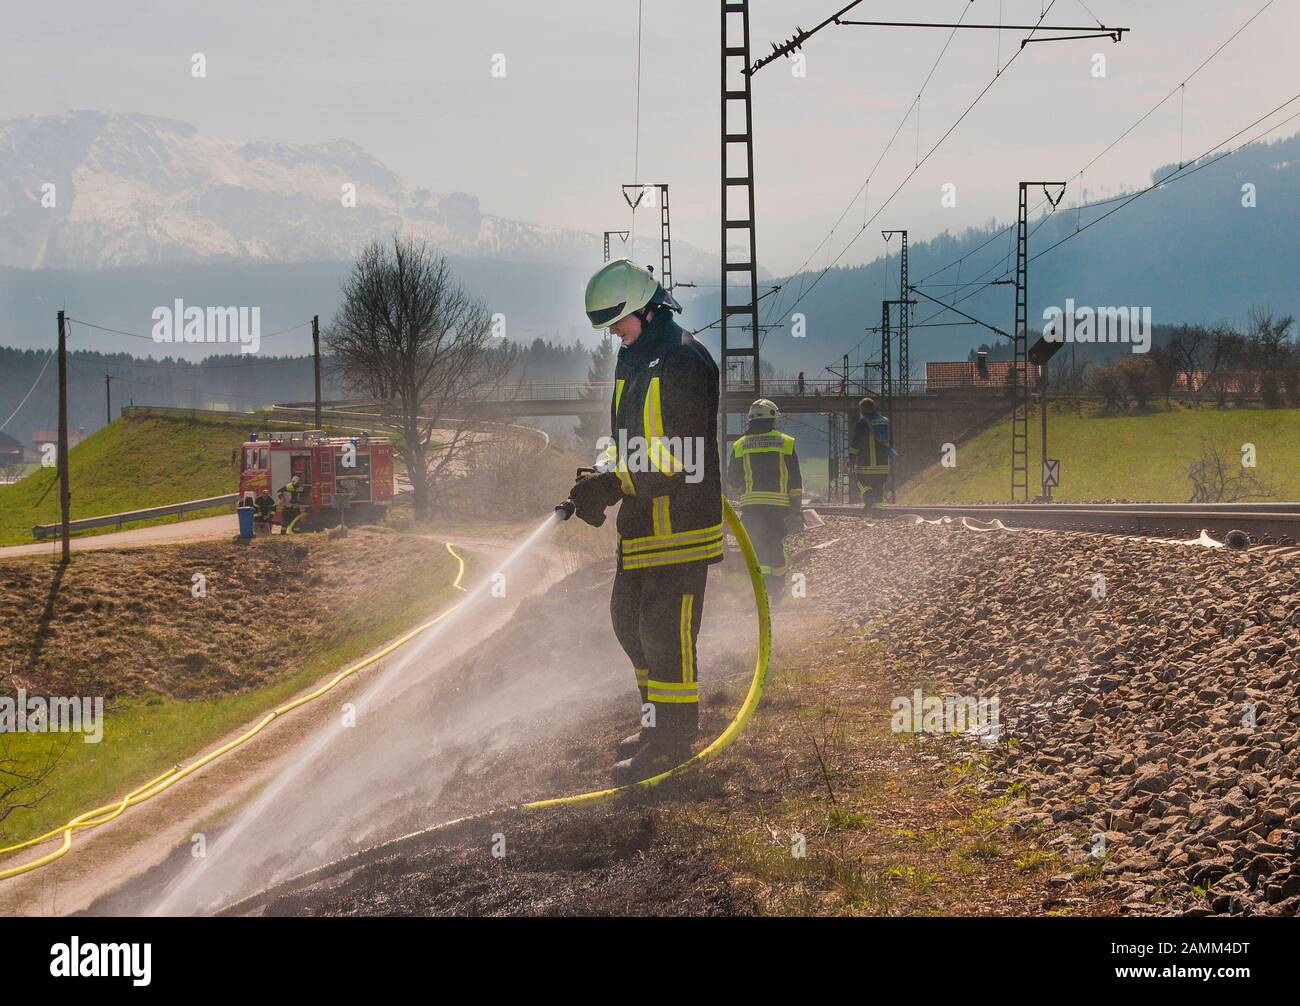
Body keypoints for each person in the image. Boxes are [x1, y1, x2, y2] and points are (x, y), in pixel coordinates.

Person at [567, 259, 721, 783]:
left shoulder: (682, 359)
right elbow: (629, 441)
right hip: (640, 527)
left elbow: (683, 456)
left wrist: (615, 485)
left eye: (619, 321)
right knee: (628, 624)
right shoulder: (633, 360)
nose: (613, 333)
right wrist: (600, 477)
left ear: (646, 308)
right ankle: (655, 725)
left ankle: (674, 743)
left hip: (680, 527)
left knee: (664, 633)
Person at [726, 399, 802, 605]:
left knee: (757, 545)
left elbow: (732, 476)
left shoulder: (740, 444)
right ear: (771, 417)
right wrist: (796, 505)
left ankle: (760, 589)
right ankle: (776, 587)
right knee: (775, 543)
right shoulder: (785, 442)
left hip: (751, 504)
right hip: (777, 505)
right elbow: (794, 477)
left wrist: (742, 491)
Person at [848, 397, 895, 509]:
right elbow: (891, 442)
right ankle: (877, 511)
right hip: (883, 464)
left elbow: (855, 444)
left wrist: (851, 459)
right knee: (879, 487)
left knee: (860, 482)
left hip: (865, 464)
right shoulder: (886, 421)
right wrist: (891, 460)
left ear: (863, 409)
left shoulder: (863, 422)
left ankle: (869, 497)